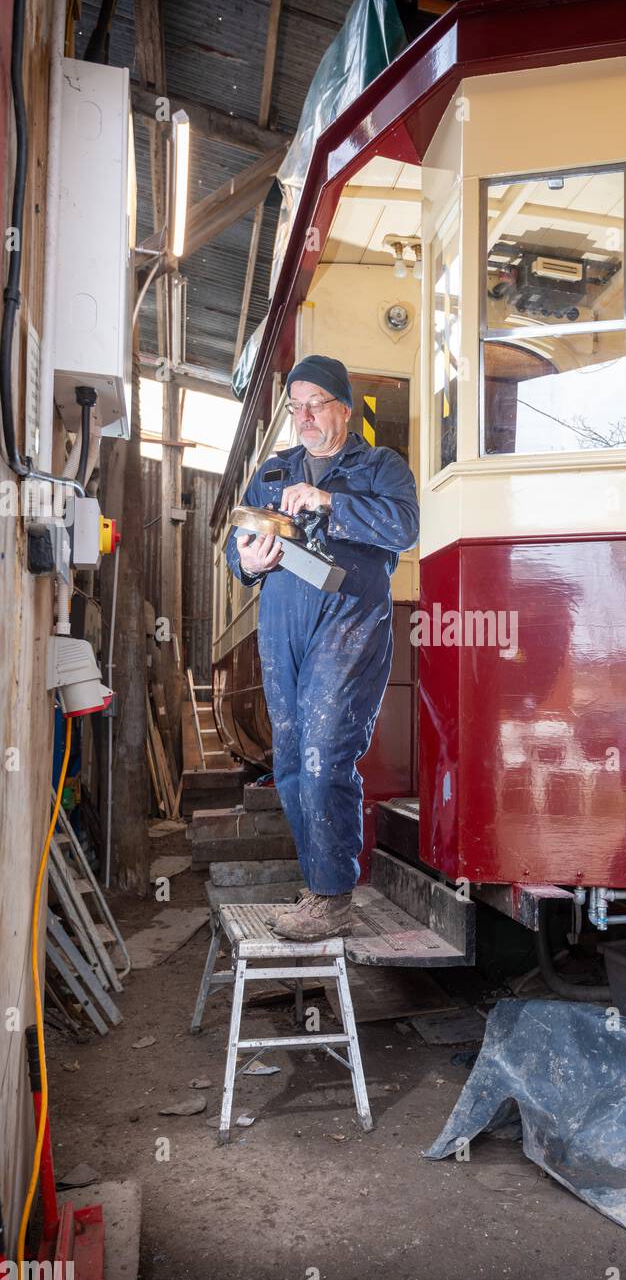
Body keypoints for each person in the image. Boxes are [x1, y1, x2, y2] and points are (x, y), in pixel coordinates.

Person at [225, 354, 419, 941]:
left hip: (350, 623)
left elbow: (405, 527)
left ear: (344, 407)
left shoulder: (379, 464)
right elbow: (241, 546)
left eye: (316, 404)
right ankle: (319, 885)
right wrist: (247, 562)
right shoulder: (275, 472)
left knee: (323, 758)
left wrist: (330, 502)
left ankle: (334, 894)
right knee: (288, 762)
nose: (304, 417)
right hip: (283, 623)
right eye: (295, 407)